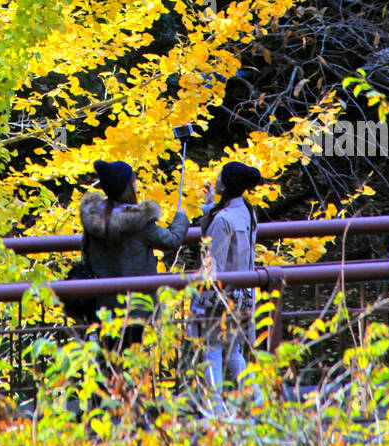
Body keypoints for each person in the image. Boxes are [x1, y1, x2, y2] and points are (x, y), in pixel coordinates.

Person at [79, 159, 190, 349]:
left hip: (102, 303)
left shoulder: (93, 218)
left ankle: (110, 378)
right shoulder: (138, 222)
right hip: (135, 304)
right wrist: (180, 217)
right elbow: (171, 240)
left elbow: (85, 254)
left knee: (109, 353)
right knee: (130, 354)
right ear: (128, 187)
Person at [187, 160, 264, 413]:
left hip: (222, 294)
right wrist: (210, 205)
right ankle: (257, 398)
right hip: (243, 293)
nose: (216, 177)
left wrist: (200, 302)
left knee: (212, 350)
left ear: (227, 183)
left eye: (220, 175)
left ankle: (215, 408)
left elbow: (213, 263)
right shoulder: (247, 212)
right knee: (233, 350)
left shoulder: (222, 220)